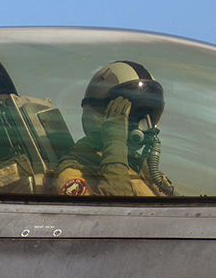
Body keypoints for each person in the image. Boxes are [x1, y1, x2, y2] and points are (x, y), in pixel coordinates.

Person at [53, 61, 176, 197]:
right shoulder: (74, 171)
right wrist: (115, 141)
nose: (146, 123)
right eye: (134, 113)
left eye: (150, 113)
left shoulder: (139, 166)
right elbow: (115, 215)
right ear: (101, 116)